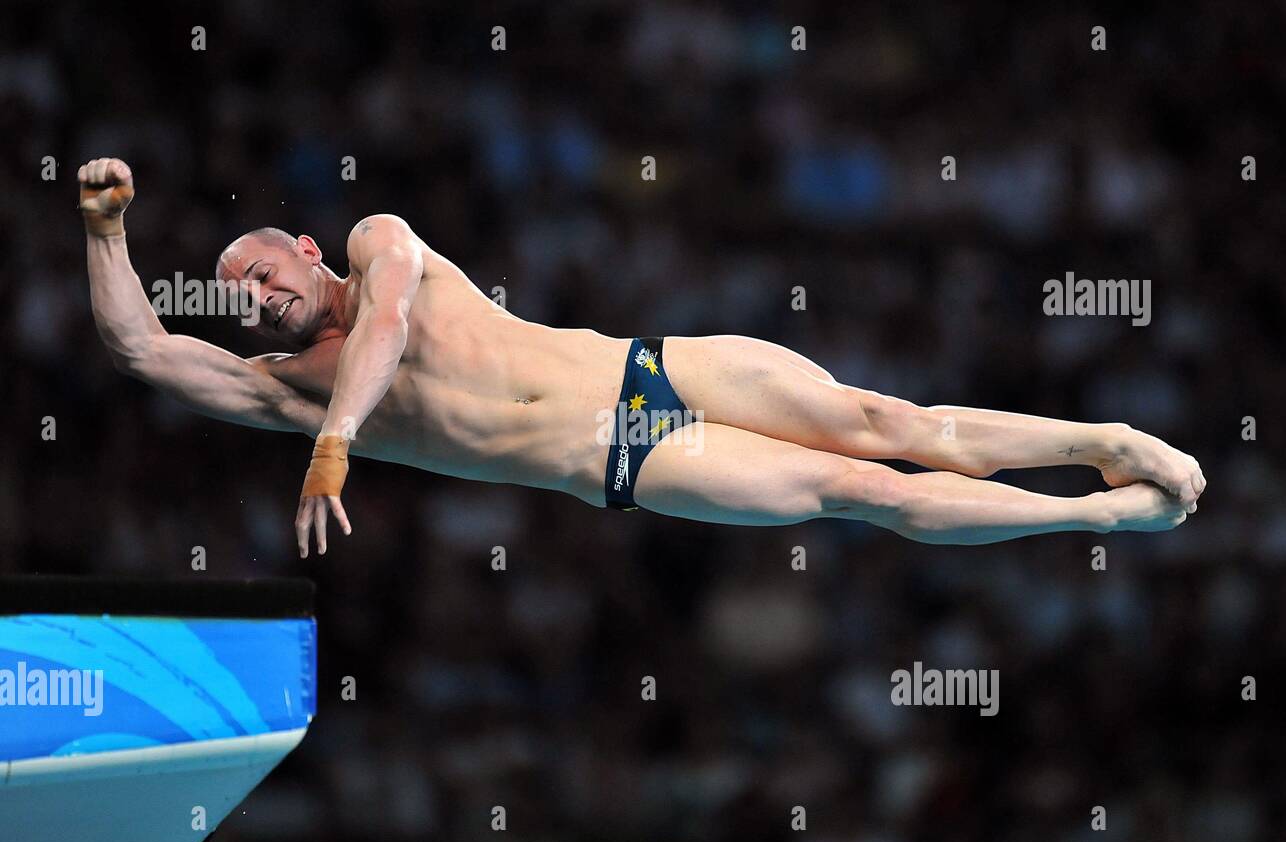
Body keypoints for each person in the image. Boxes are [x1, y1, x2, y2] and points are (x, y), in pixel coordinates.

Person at [78, 158, 1205, 556]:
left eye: (265, 274)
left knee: (883, 418)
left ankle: (1100, 440)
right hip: (618, 458)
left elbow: (384, 331)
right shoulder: (279, 393)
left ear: (308, 248)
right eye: (237, 301)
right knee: (859, 490)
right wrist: (105, 231)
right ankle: (1100, 518)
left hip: (651, 366)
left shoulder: (378, 250)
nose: (257, 302)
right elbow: (137, 347)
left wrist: (337, 446)